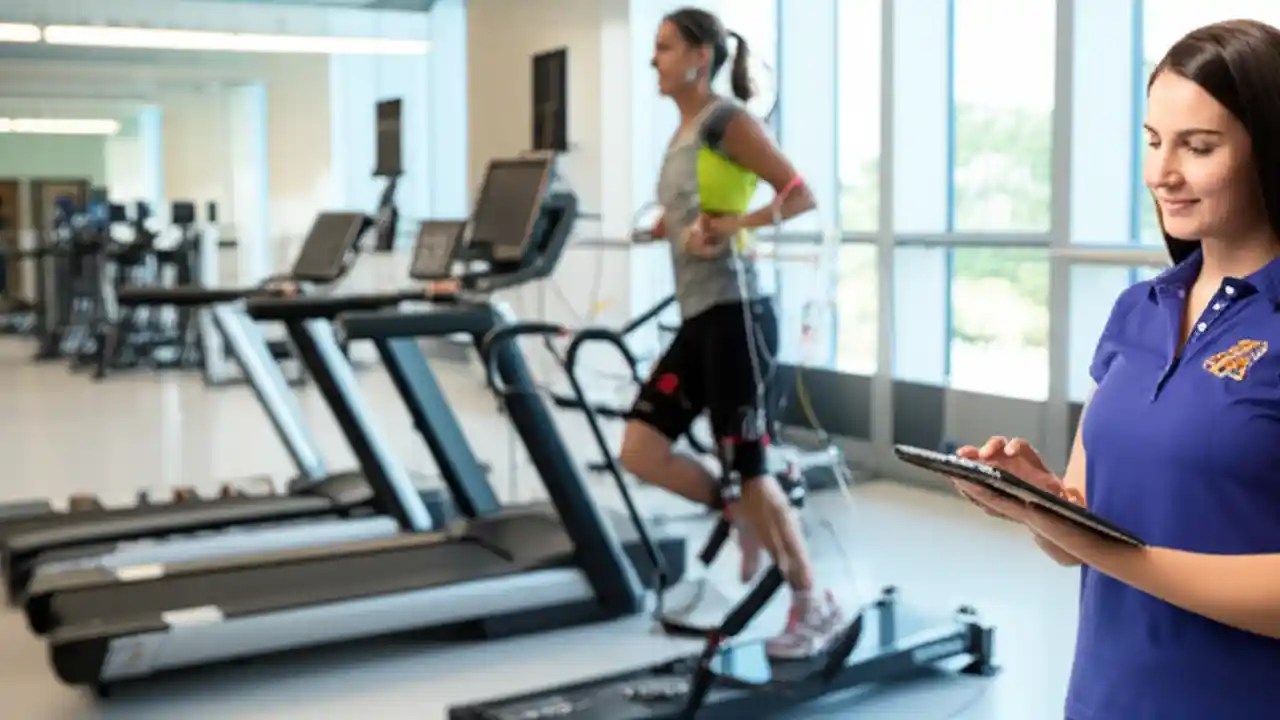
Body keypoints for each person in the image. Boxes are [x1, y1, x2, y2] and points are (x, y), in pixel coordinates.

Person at [952, 19, 1280, 720]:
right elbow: (1077, 542)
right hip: (1106, 698)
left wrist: (1109, 551)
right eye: (1154, 141)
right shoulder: (1138, 310)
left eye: (1198, 146)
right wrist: (1042, 502)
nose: (1162, 172)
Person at [617, 7, 845, 660]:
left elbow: (798, 193)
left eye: (664, 47)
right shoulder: (684, 130)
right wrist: (669, 226)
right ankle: (740, 509)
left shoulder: (726, 120)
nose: (653, 60)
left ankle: (815, 602)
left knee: (751, 471)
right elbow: (701, 204)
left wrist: (734, 226)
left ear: (699, 58)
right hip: (699, 316)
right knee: (640, 449)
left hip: (738, 316)